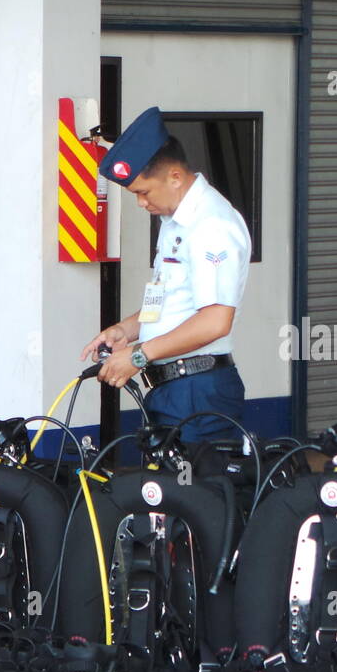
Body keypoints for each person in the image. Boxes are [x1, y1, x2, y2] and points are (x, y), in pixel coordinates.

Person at [81, 107, 251, 442]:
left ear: (175, 177)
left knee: (194, 493)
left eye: (144, 192)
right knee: (164, 491)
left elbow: (216, 320)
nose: (141, 203)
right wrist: (126, 331)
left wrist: (140, 354)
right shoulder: (175, 221)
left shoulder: (211, 225)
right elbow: (172, 302)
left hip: (198, 391)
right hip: (171, 388)